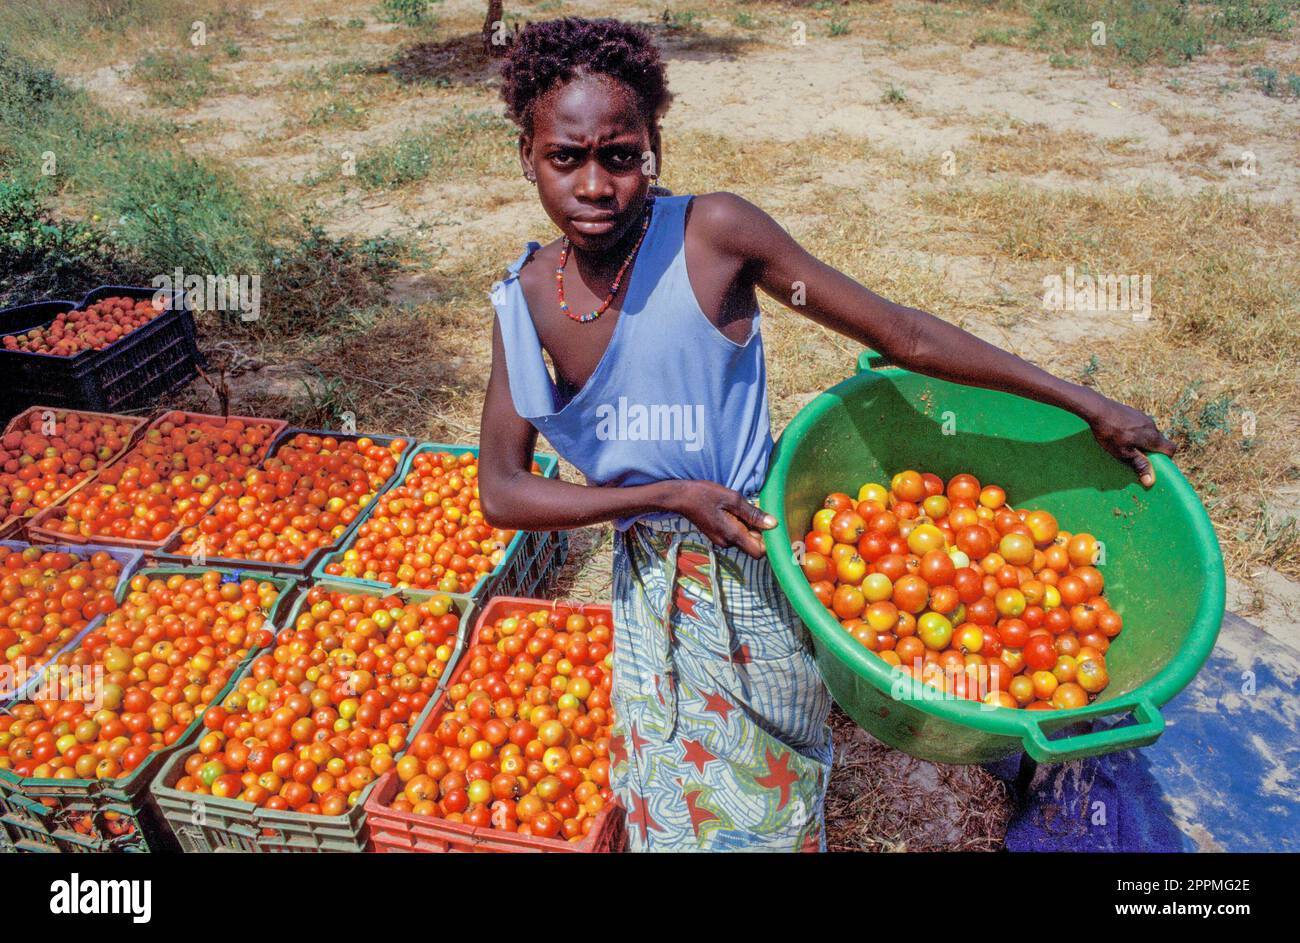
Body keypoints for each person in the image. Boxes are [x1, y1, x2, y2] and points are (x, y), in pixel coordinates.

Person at [477, 16, 1176, 852]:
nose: (596, 184)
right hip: (649, 583)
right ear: (527, 155)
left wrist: (1078, 400)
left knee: (767, 796)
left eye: (620, 155)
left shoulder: (714, 236)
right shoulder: (527, 299)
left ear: (654, 146)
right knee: (666, 793)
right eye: (566, 158)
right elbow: (502, 489)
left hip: (751, 560)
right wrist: (657, 496)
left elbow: (900, 332)